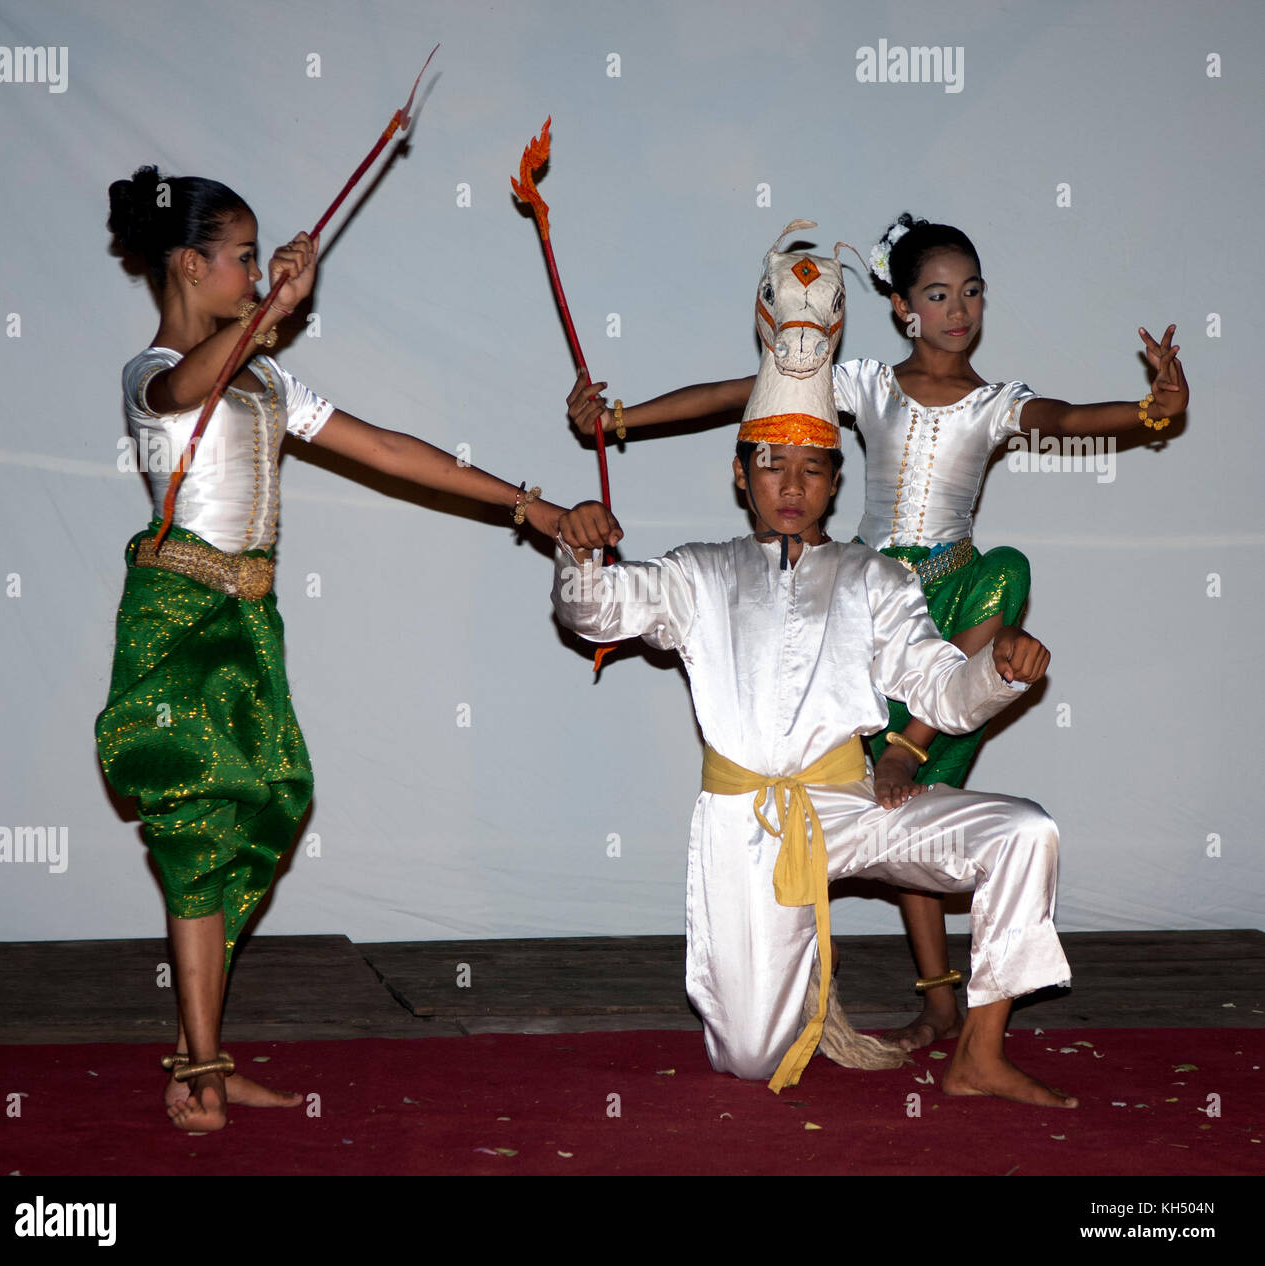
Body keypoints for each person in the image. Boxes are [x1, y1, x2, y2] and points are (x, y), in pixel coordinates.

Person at [566, 212, 1187, 1051]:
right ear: (902, 307)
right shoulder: (865, 384)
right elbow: (735, 395)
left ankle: (918, 758)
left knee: (997, 598)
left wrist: (1151, 412)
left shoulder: (997, 404)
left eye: (972, 292)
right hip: (862, 592)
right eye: (938, 293)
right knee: (884, 819)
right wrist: (623, 420)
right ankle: (930, 997)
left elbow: (1072, 418)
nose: (958, 308)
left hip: (954, 606)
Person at [97, 165, 566, 1132]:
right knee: (197, 823)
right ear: (188, 264)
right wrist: (268, 310)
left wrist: (536, 506)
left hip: (247, 624)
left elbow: (389, 450)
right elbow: (194, 381)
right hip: (177, 617)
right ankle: (204, 1070)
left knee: (268, 803)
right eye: (238, 258)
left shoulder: (265, 375)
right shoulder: (152, 378)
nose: (254, 270)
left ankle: (201, 1063)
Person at [551, 405, 1076, 1106]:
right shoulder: (698, 572)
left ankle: (979, 1055)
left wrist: (998, 671)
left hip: (851, 803)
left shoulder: (877, 579)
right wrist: (579, 544)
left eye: (812, 469)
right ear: (741, 477)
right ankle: (788, 970)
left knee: (1024, 831)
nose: (792, 485)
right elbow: (593, 614)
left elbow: (942, 690)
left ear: (834, 483)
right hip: (747, 821)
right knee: (749, 1058)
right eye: (772, 466)